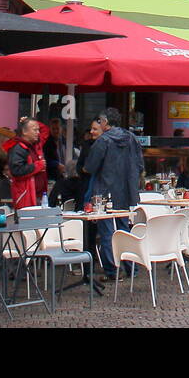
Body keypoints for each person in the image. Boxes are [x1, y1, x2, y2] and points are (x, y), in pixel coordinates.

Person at [83, 108, 142, 281]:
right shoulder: (132, 138)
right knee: (124, 230)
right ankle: (131, 267)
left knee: (107, 232)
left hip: (105, 191)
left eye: (100, 121)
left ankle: (112, 271)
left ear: (106, 122)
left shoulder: (104, 141)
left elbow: (90, 166)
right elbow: (139, 164)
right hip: (125, 191)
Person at [6, 118, 47, 209]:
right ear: (24, 131)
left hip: (38, 195)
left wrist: (30, 119)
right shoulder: (18, 148)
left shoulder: (34, 146)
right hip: (25, 197)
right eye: (35, 130)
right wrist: (38, 166)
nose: (38, 132)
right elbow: (16, 171)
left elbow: (45, 131)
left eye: (38, 130)